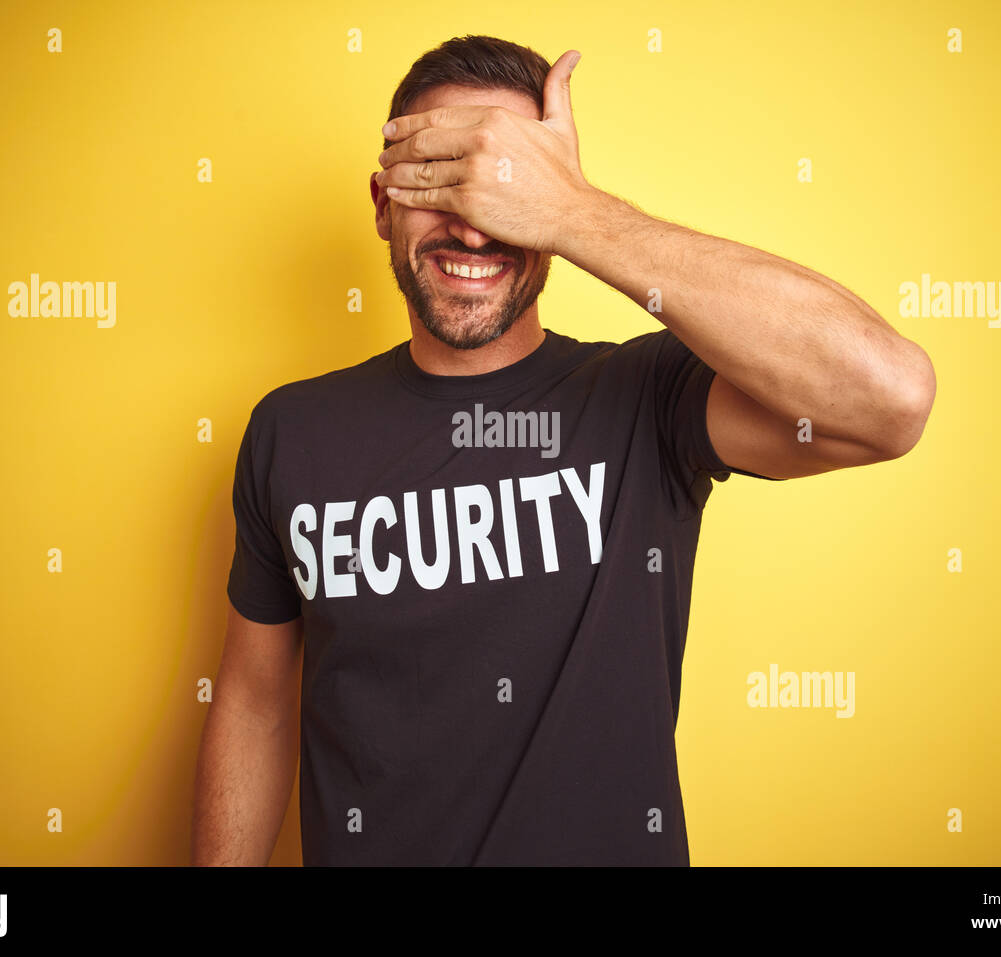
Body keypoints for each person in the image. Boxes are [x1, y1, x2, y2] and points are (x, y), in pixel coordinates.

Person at [191, 35, 936, 866]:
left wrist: (577, 211)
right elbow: (256, 701)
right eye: (439, 179)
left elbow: (891, 398)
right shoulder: (292, 432)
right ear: (380, 204)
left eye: (504, 188)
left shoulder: (648, 402)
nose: (473, 229)